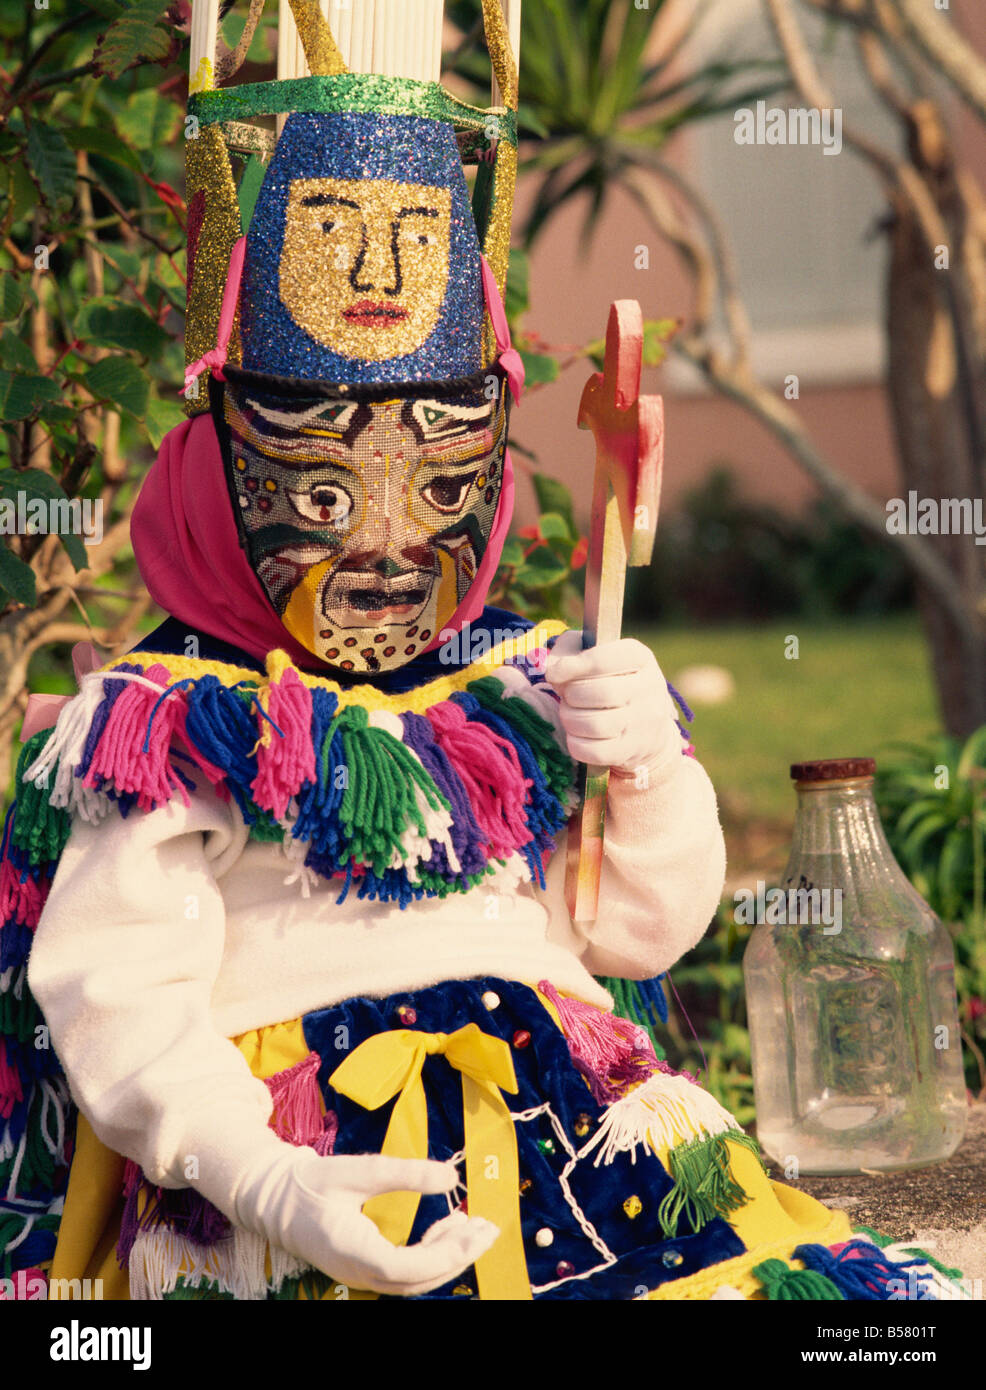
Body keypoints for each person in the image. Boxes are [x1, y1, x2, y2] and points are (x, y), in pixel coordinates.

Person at [0, 9, 957, 1303]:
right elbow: (116, 995)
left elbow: (636, 932)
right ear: (221, 470)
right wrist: (260, 1172)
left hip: (578, 1141)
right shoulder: (172, 720)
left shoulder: (514, 685)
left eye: (442, 487)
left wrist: (647, 778)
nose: (390, 547)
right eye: (324, 496)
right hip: (301, 1157)